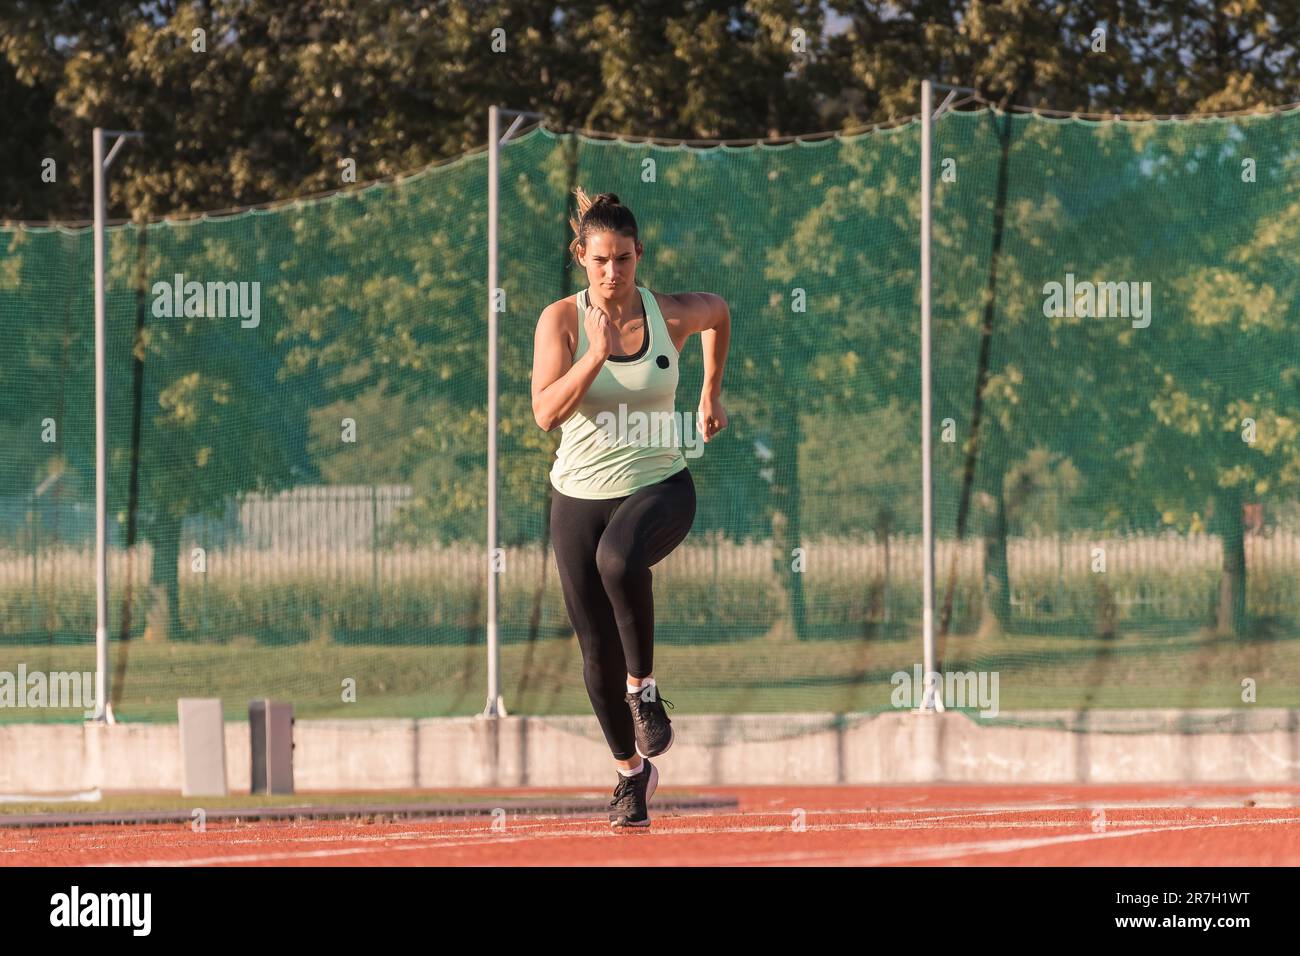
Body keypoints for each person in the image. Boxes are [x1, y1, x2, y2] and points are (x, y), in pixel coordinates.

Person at [531, 188, 730, 828]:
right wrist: (593, 354)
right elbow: (544, 414)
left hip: (660, 486)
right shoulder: (559, 322)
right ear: (580, 259)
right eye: (599, 261)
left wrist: (710, 392)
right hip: (577, 496)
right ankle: (630, 776)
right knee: (593, 651)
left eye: (622, 259)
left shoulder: (668, 315)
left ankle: (643, 691)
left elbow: (721, 313)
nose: (612, 273)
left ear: (638, 255)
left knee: (619, 561)